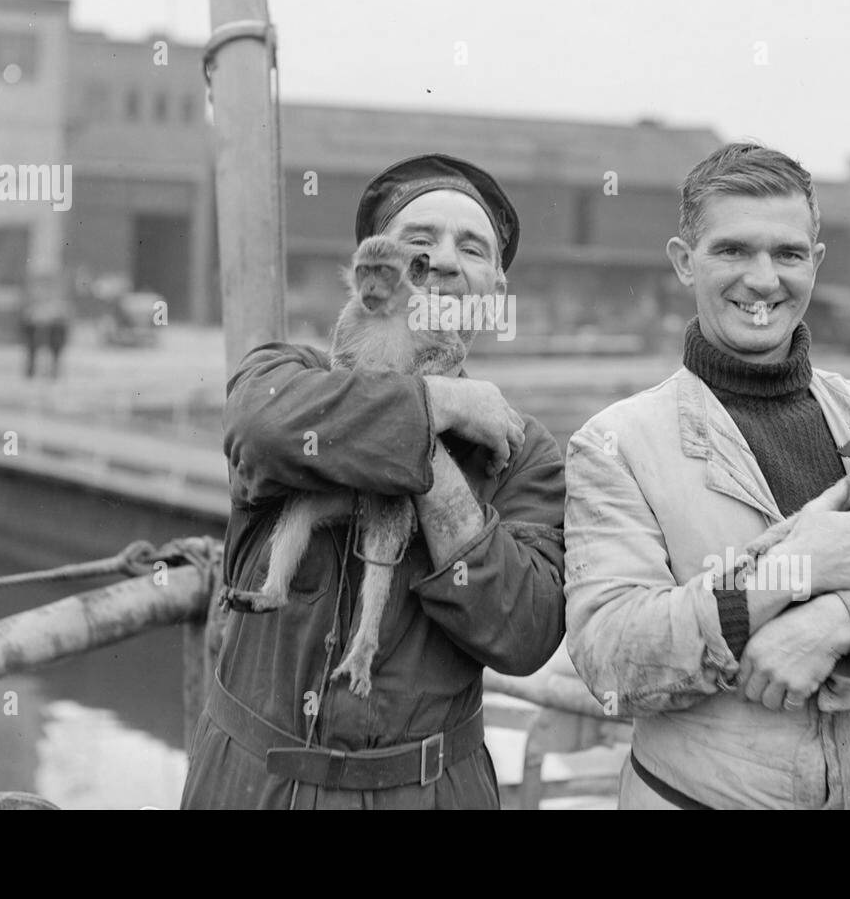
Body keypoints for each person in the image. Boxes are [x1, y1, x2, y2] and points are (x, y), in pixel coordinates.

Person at [563, 142, 850, 810]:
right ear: (683, 262)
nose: (764, 278)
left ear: (817, 263)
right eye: (733, 251)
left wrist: (842, 625)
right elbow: (611, 658)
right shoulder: (615, 442)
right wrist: (787, 571)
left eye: (788, 254)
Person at [180, 153, 566, 810]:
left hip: (429, 793)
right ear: (375, 268)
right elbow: (259, 428)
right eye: (419, 244)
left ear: (495, 294)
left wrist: (425, 439)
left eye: (471, 248)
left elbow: (524, 631)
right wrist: (435, 406)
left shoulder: (524, 453)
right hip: (247, 784)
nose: (441, 261)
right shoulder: (287, 371)